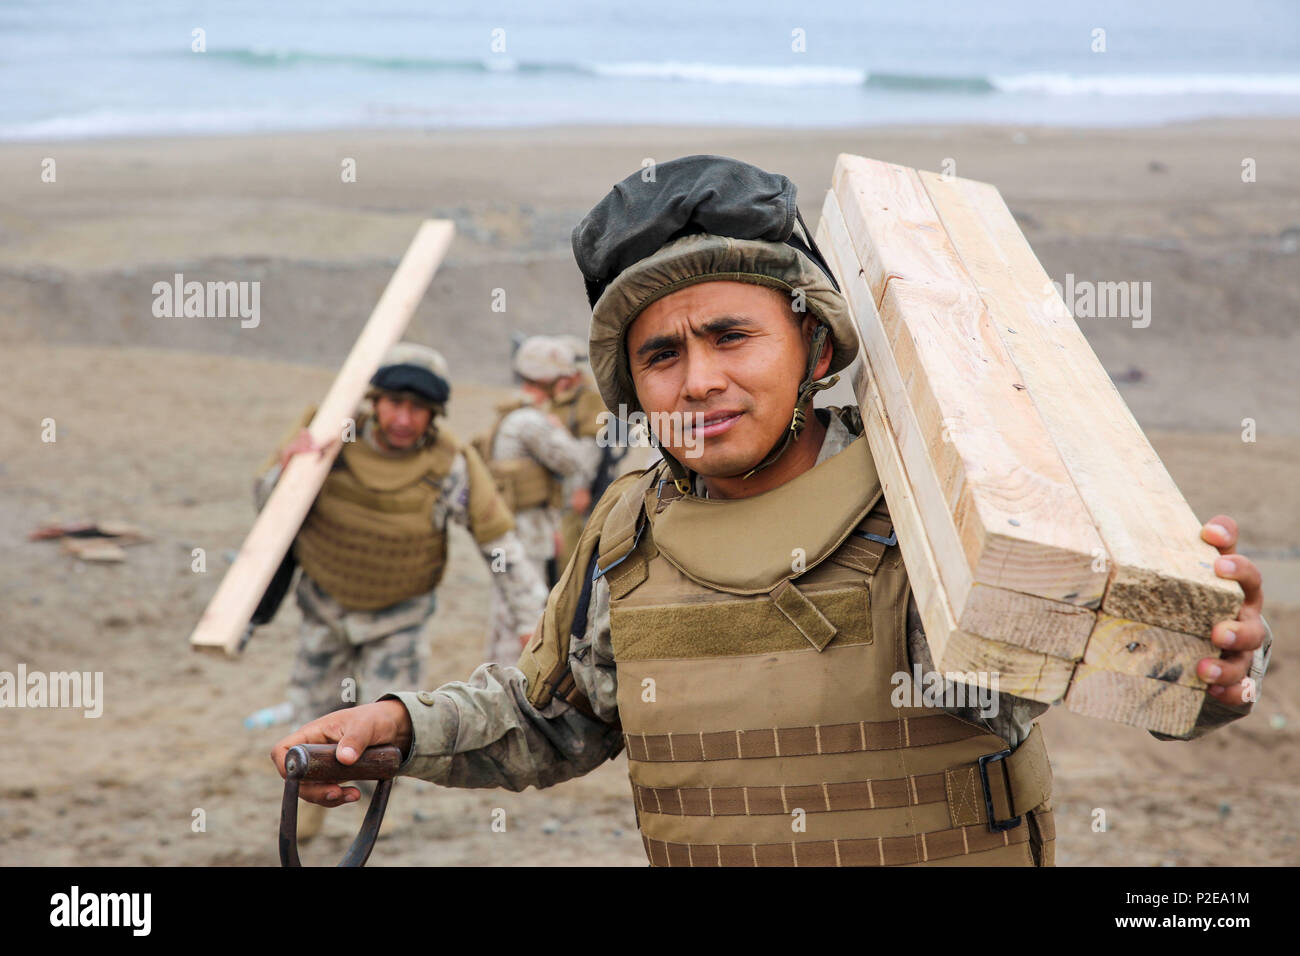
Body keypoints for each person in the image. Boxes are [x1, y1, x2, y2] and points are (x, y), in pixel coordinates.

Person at [274, 157, 1273, 867]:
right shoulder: (625, 531)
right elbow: (555, 716)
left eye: (729, 335)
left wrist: (1218, 671)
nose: (697, 380)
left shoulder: (940, 502)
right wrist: (396, 728)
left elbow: (1135, 660)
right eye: (662, 356)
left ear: (816, 349)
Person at [258, 341, 547, 839]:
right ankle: (306, 811)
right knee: (312, 712)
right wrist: (288, 468)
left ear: (433, 415)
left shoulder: (448, 464)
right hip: (326, 605)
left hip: (400, 616)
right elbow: (268, 505)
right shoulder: (332, 435)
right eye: (395, 403)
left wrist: (533, 623)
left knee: (381, 724)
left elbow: (499, 542)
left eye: (418, 409)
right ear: (375, 401)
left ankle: (366, 819)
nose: (403, 419)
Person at [475, 335, 598, 661]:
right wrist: (558, 427)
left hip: (526, 525)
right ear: (552, 380)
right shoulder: (532, 421)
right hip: (524, 530)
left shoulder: (516, 412)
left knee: (511, 607)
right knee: (520, 609)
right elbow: (575, 461)